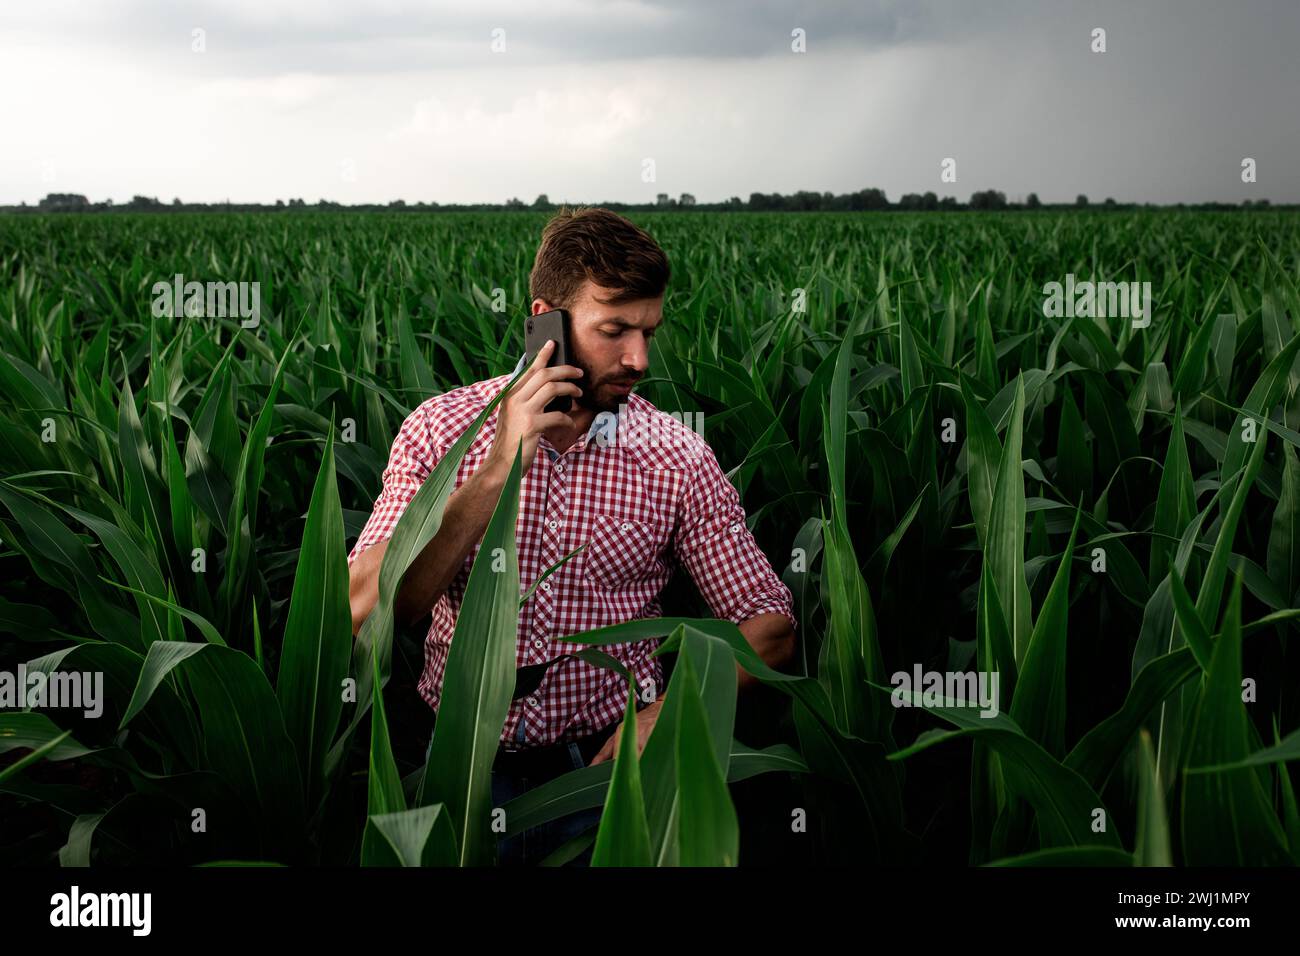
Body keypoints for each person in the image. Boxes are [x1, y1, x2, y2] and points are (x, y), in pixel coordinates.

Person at [346, 206, 796, 865]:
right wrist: (502, 462)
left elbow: (770, 626)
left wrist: (669, 713)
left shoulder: (676, 457)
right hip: (454, 775)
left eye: (648, 331)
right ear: (545, 320)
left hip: (606, 781)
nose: (639, 358)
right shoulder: (441, 432)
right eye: (614, 330)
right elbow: (367, 609)